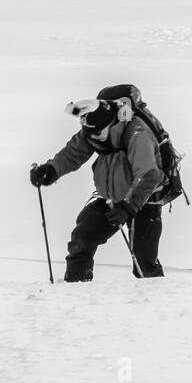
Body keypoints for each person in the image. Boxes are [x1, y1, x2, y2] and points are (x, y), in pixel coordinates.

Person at [30, 97, 165, 281]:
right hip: (109, 198)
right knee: (82, 238)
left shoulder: (136, 133)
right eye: (91, 136)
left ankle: (157, 302)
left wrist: (128, 207)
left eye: (99, 133)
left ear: (110, 122)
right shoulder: (93, 130)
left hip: (145, 199)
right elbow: (73, 153)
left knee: (144, 260)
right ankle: (75, 293)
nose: (96, 139)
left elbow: (149, 174)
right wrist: (51, 170)